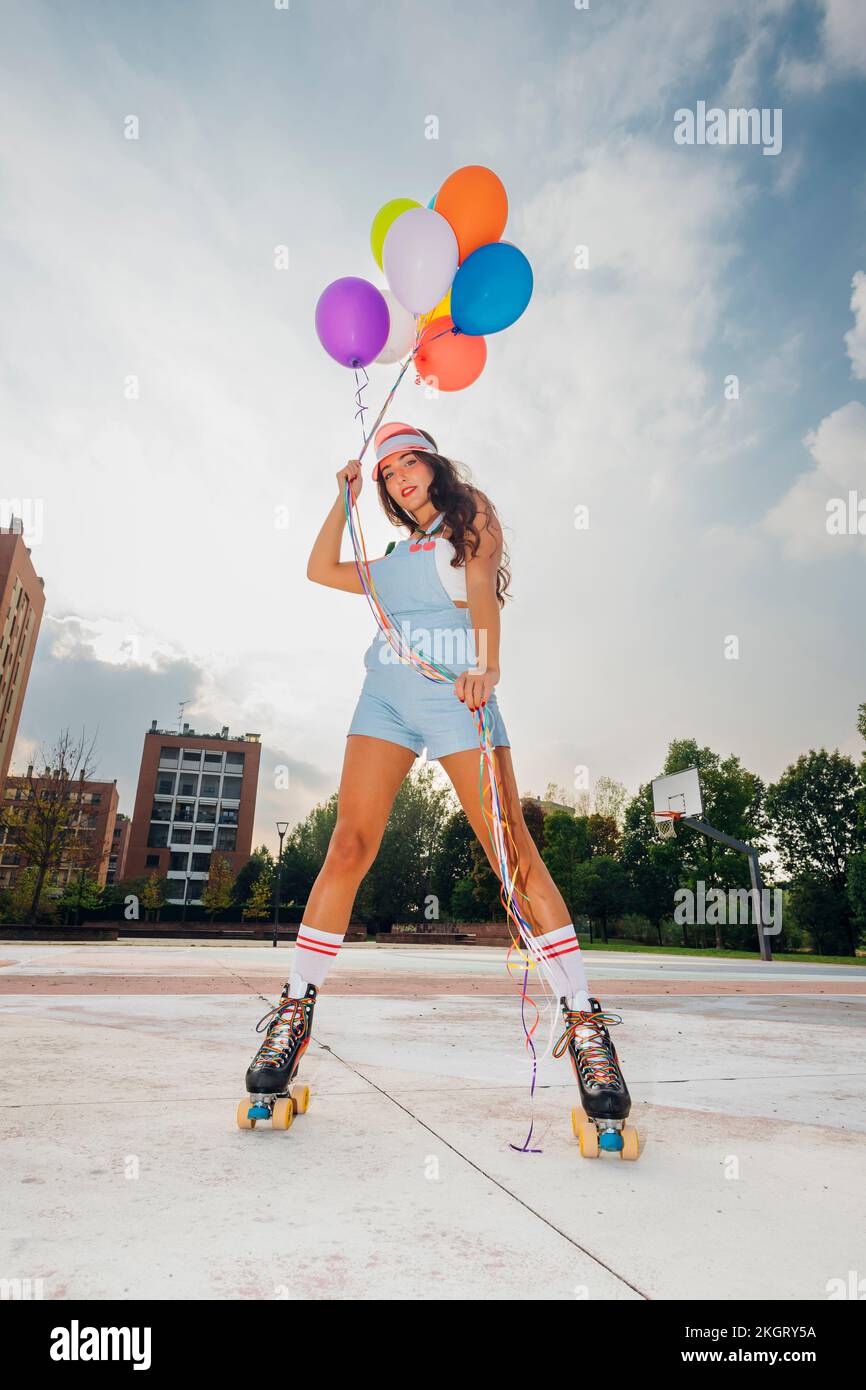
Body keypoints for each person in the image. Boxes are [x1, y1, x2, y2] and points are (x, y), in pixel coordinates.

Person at [240, 422, 634, 1152]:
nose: (399, 476)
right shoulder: (392, 557)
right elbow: (319, 568)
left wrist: (486, 664)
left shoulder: (469, 517)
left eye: (408, 461)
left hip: (459, 693)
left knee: (510, 851)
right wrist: (343, 497)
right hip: (385, 698)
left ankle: (584, 1024)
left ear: (433, 464)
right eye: (387, 471)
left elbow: (481, 591)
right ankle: (293, 1015)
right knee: (348, 846)